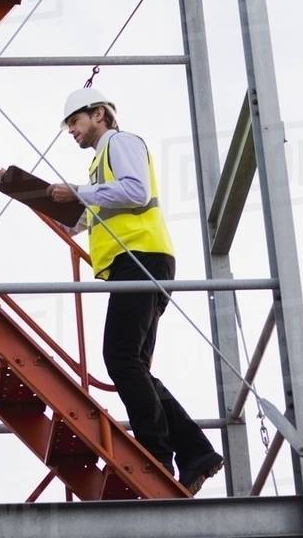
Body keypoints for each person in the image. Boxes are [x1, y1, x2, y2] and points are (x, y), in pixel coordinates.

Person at [45, 87, 223, 494]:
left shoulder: (120, 143)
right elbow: (88, 215)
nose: (71, 130)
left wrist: (77, 192)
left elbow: (135, 191)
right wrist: (36, 196)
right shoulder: (96, 168)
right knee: (133, 363)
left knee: (120, 357)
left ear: (100, 115)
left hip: (141, 259)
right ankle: (196, 452)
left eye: (75, 121)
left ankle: (156, 452)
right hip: (138, 261)